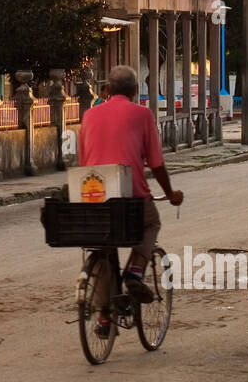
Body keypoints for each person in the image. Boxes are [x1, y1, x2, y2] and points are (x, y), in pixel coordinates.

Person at [79, 65, 184, 338]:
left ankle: (103, 317)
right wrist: (170, 194)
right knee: (152, 223)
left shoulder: (88, 116)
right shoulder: (142, 114)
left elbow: (83, 162)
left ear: (107, 89)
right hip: (132, 197)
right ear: (136, 90)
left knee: (102, 248)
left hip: (94, 196)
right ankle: (135, 271)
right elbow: (157, 164)